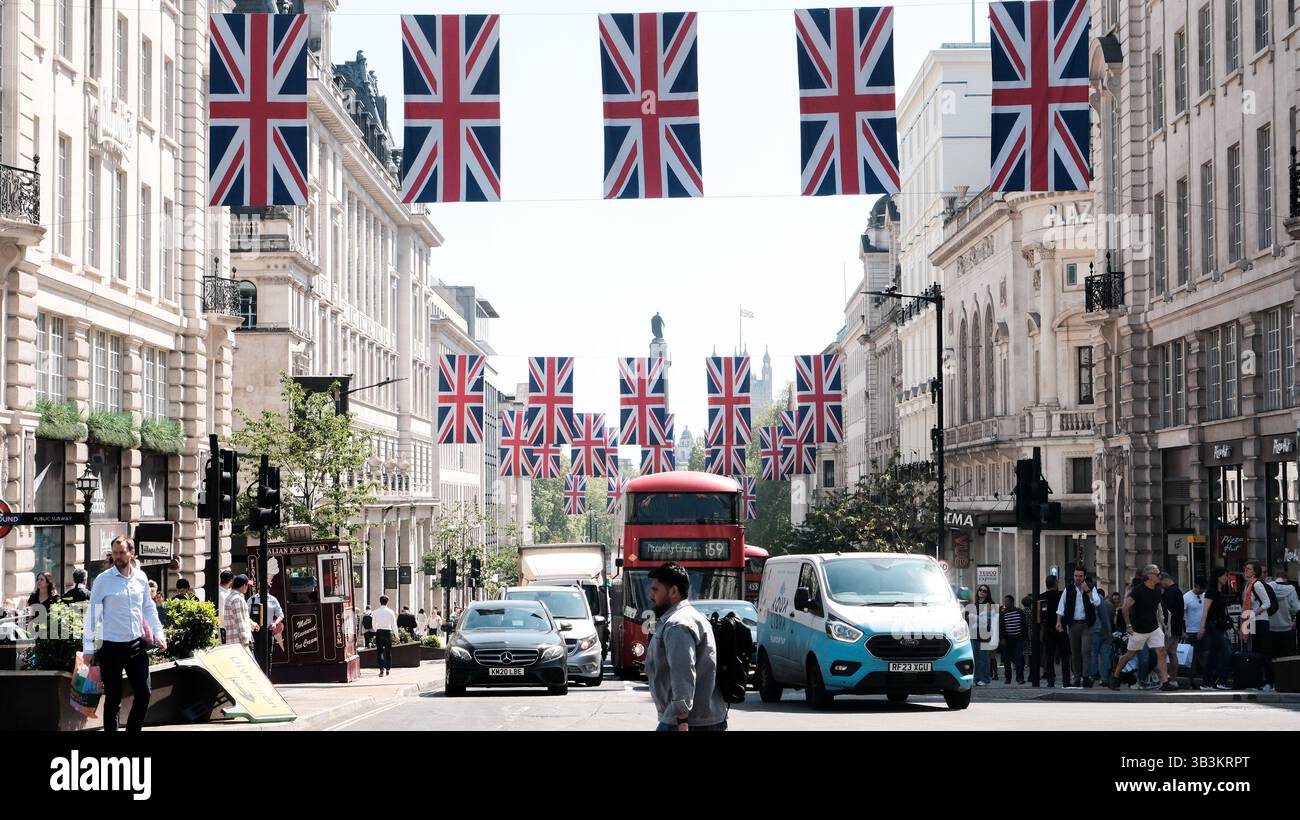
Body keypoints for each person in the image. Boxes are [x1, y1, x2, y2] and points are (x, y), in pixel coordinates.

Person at [82, 536, 168, 732]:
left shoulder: (141, 577)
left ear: (132, 553)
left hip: (136, 645)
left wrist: (158, 633)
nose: (118, 557)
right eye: (115, 553)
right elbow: (92, 614)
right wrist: (88, 648)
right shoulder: (103, 580)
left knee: (144, 693)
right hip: (110, 646)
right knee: (113, 697)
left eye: (122, 553)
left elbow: (148, 608)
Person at [643, 562, 727, 731]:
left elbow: (683, 672)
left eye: (656, 590)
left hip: (686, 721)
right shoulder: (693, 617)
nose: (651, 595)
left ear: (673, 591)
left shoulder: (677, 625)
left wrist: (682, 720)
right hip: (702, 717)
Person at [1110, 564, 1177, 691]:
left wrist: (1161, 623)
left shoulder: (1158, 590)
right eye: (1157, 574)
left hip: (1153, 628)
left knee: (1161, 652)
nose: (1160, 576)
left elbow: (1157, 610)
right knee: (1129, 655)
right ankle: (1115, 676)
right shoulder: (1137, 591)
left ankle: (1165, 682)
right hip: (1138, 629)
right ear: (1149, 576)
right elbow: (1125, 609)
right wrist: (1129, 626)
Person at [1056, 568, 1101, 688]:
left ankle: (1085, 677)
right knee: (1075, 653)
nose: (1078, 578)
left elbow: (1096, 602)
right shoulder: (1069, 589)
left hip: (1087, 624)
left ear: (1084, 577)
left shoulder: (1091, 588)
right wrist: (1059, 621)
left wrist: (1088, 591)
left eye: (1080, 576)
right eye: (1076, 576)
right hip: (1073, 624)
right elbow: (1061, 607)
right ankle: (1076, 677)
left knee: (1085, 651)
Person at [1196, 567, 1233, 690]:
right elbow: (1205, 609)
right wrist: (1202, 627)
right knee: (1226, 652)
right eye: (1224, 576)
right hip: (1212, 625)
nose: (1226, 578)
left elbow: (1224, 611)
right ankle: (1221, 680)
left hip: (1219, 625)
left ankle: (1206, 682)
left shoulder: (1221, 591)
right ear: (1218, 577)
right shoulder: (1211, 592)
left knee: (1213, 654)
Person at [1241, 560, 1274, 691]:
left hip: (1260, 621)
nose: (1246, 570)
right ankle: (1257, 681)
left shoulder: (1257, 584)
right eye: (1245, 568)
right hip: (1252, 621)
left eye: (1249, 569)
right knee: (1254, 651)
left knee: (1263, 652)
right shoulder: (1248, 585)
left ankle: (1270, 682)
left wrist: (1254, 613)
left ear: (1255, 571)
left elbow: (1267, 603)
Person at [247, 578, 284, 670]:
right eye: (259, 589)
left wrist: (275, 623)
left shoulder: (273, 600)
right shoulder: (252, 600)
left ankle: (268, 674)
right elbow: (246, 615)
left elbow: (280, 615)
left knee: (268, 653)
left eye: (265, 588)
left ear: (268, 589)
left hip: (268, 630)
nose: (262, 591)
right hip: (255, 630)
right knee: (256, 652)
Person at [966, 585, 999, 686]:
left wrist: (973, 617)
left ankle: (984, 679)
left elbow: (987, 621)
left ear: (987, 593)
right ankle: (976, 678)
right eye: (980, 590)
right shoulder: (974, 605)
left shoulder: (990, 605)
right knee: (975, 658)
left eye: (984, 591)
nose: (982, 592)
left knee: (984, 658)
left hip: (984, 635)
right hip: (973, 634)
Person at [1159, 573, 1185, 681]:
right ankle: (1173, 679)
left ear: (1165, 580)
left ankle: (1164, 678)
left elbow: (1166, 611)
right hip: (1177, 628)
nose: (1160, 585)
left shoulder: (1170, 592)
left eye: (1161, 583)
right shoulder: (1178, 591)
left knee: (1162, 653)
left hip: (1169, 628)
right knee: (1172, 653)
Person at [1037, 575, 1063, 686]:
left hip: (1047, 627)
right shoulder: (1061, 595)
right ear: (1056, 583)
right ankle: (1066, 679)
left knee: (1049, 655)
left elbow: (1039, 615)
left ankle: (1050, 679)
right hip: (1060, 627)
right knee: (1065, 654)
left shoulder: (1042, 597)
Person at [1267, 570, 1300, 658]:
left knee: (1272, 656)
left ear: (1275, 577)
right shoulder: (1291, 589)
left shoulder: (1268, 587)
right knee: (1286, 657)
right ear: (1286, 579)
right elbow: (1296, 608)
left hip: (1270, 627)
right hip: (1286, 628)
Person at [222, 575, 257, 654]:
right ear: (244, 585)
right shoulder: (237, 599)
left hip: (233, 640)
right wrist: (245, 640)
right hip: (240, 642)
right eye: (247, 585)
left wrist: (252, 623)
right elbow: (239, 620)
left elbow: (240, 617)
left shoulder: (230, 597)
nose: (248, 587)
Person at [1182, 578, 1206, 688]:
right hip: (1191, 631)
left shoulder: (1205, 595)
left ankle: (1206, 679)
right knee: (1191, 658)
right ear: (1196, 586)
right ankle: (1191, 681)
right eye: (1200, 588)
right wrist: (1183, 631)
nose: (1202, 591)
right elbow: (1181, 615)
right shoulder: (1186, 597)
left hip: (1203, 630)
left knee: (1205, 655)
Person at [999, 594, 1027, 684]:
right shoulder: (1003, 614)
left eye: (1007, 601)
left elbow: (1024, 625)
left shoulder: (1019, 612)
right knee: (1007, 661)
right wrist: (1002, 638)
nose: (1005, 603)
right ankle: (1008, 678)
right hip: (1008, 640)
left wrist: (1024, 638)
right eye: (1005, 601)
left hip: (1018, 638)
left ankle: (1020, 678)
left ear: (1012, 602)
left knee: (1019, 659)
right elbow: (1001, 627)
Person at [1089, 586, 1113, 688]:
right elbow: (1109, 617)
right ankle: (1105, 678)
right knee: (1105, 655)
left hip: (1094, 630)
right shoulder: (1109, 605)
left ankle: (1092, 675)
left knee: (1093, 654)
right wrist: (1109, 631)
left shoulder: (1091, 599)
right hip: (1105, 630)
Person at [371, 595, 398, 676]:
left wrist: (376, 630)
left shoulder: (375, 612)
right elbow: (394, 625)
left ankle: (381, 669)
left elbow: (373, 623)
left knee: (379, 652)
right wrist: (397, 635)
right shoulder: (391, 612)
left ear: (380, 602)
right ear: (387, 602)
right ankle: (388, 669)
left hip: (379, 632)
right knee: (388, 651)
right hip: (388, 632)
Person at [217, 570, 235, 642]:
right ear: (231, 581)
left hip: (224, 627)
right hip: (224, 628)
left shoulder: (221, 591)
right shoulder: (223, 594)